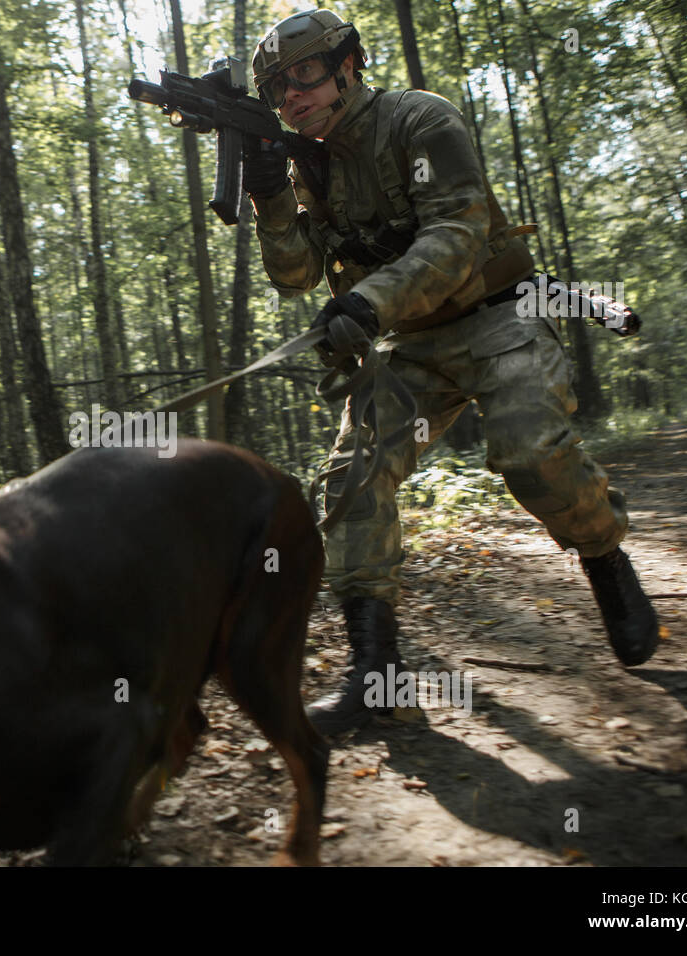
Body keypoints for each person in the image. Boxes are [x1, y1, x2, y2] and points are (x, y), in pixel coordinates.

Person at [242, 8, 659, 734]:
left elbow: (459, 232)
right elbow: (296, 276)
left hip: (499, 312)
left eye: (303, 73)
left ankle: (603, 555)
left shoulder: (419, 121)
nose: (290, 95)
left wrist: (368, 304)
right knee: (353, 478)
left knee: (532, 453)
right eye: (276, 87)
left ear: (348, 65)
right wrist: (269, 194)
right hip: (412, 341)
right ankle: (375, 670)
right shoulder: (306, 165)